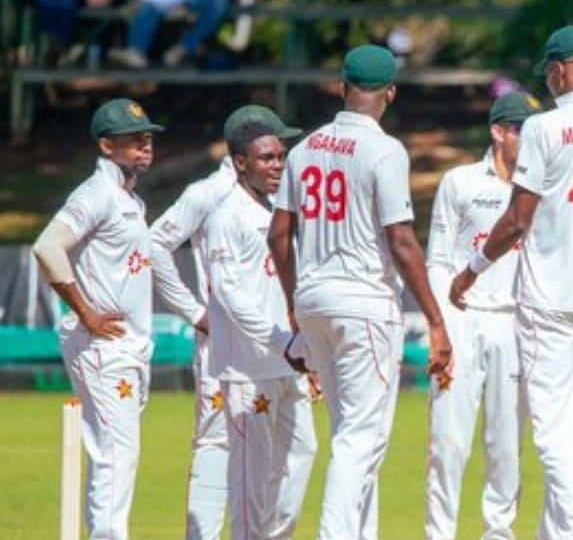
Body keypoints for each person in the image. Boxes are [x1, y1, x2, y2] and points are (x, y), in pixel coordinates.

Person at [449, 25, 573, 539]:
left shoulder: (544, 128)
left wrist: (471, 270)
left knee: (551, 430)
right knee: (571, 418)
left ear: (560, 71)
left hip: (547, 296)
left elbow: (518, 219)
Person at [267, 44, 452, 540]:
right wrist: (436, 321)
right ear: (390, 93)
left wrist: (293, 304)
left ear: (343, 87)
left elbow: (278, 236)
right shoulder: (385, 150)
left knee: (348, 435)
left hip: (313, 301)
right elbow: (401, 241)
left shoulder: (304, 148)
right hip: (364, 303)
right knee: (361, 440)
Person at [148, 105, 302, 540]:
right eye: (269, 153)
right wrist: (195, 312)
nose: (278, 162)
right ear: (244, 154)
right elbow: (156, 244)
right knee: (217, 443)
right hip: (228, 345)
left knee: (275, 452)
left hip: (273, 346)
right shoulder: (211, 193)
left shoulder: (268, 193)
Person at [31, 98, 165, 540]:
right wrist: (84, 311)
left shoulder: (126, 197)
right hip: (103, 346)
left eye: (147, 139)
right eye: (133, 141)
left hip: (123, 346)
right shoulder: (97, 194)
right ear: (106, 146)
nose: (145, 147)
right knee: (115, 455)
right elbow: (48, 247)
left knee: (115, 454)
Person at [424, 92, 542, 539]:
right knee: (448, 443)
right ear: (498, 131)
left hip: (516, 324)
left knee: (506, 445)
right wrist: (442, 328)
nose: (530, 143)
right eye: (522, 133)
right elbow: (438, 260)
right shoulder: (460, 182)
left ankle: (499, 533)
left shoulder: (542, 190)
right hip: (464, 318)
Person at [204, 120, 316, 540]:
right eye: (266, 158)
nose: (277, 166)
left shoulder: (279, 213)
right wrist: (280, 341)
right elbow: (230, 295)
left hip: (290, 362)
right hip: (249, 368)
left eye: (281, 157)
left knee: (302, 455)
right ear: (239, 163)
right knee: (252, 480)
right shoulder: (225, 215)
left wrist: (305, 347)